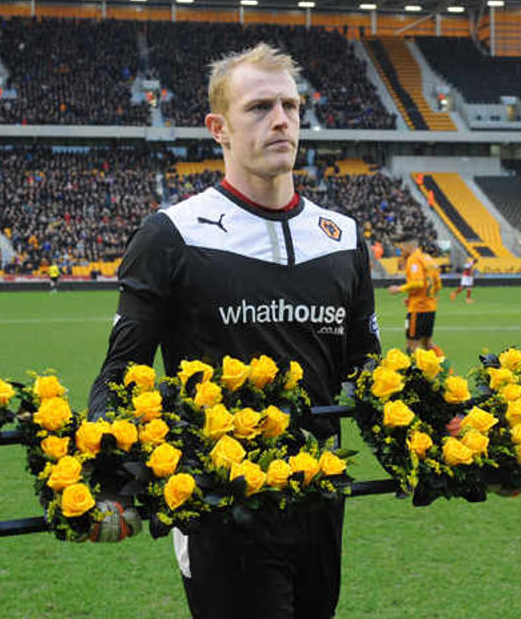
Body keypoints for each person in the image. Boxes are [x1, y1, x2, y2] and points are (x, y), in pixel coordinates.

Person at [87, 43, 380, 619]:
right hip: (221, 513)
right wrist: (110, 481)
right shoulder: (171, 234)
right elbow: (121, 373)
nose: (282, 121)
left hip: (321, 504)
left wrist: (453, 443)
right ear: (217, 129)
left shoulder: (343, 236)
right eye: (259, 108)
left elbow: (368, 371)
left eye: (291, 106)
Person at [388, 235, 439, 353]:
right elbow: (437, 284)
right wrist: (418, 296)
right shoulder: (427, 258)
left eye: (400, 250)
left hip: (418, 309)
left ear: (407, 247)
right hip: (430, 308)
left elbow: (419, 283)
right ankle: (447, 370)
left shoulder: (413, 260)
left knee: (411, 347)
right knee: (427, 344)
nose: (400, 253)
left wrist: (399, 289)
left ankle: (411, 371)